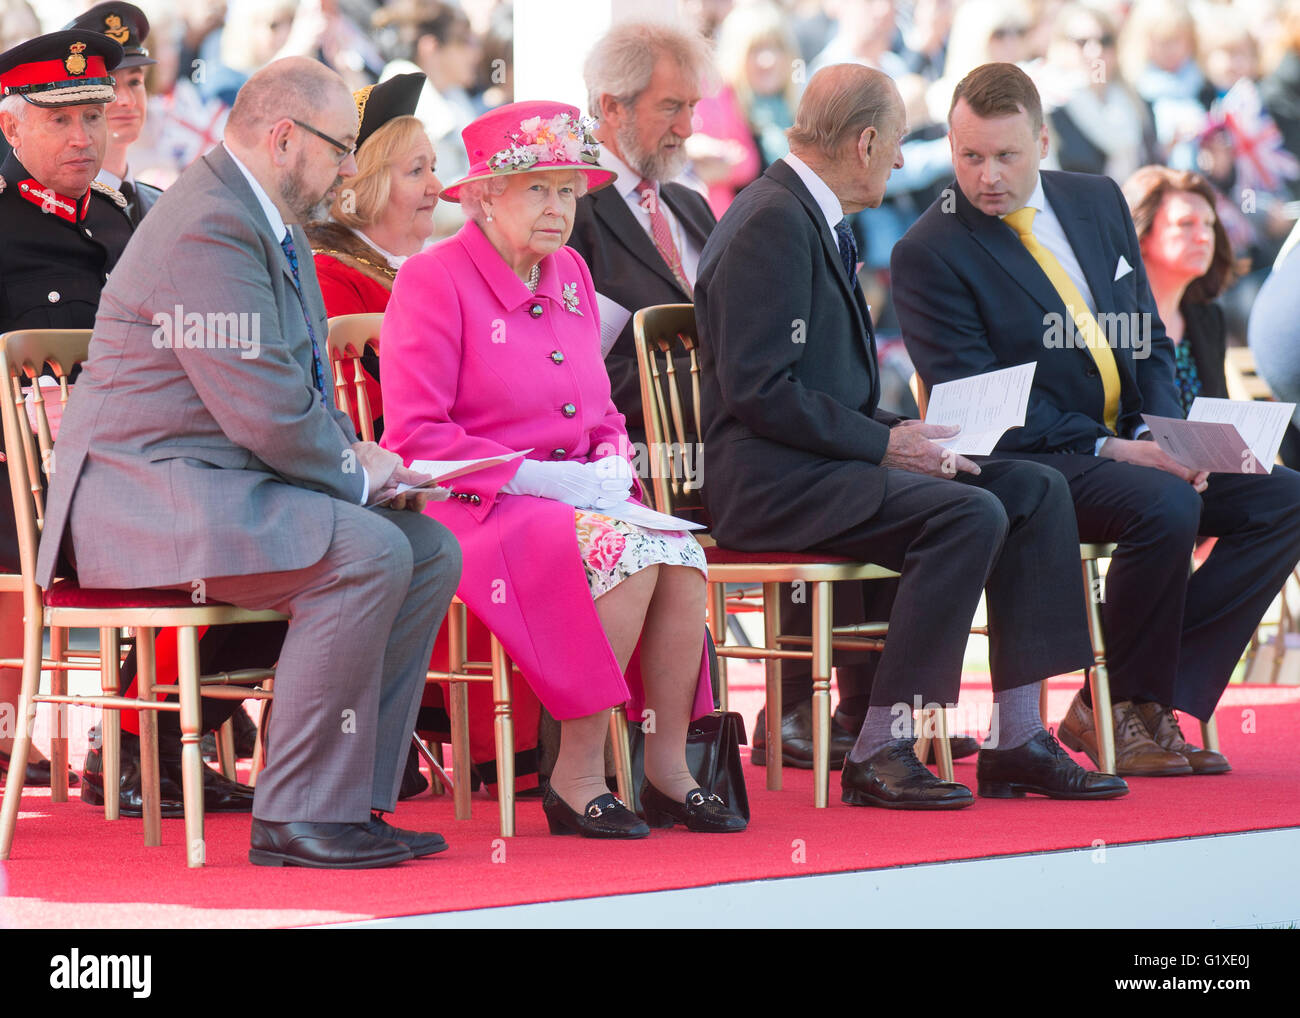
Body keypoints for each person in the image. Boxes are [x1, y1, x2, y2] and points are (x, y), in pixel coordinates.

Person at [33, 56, 462, 869]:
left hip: (215, 482)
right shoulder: (210, 222)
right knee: (367, 550)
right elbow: (264, 408)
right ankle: (298, 814)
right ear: (284, 136)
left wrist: (369, 467)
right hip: (146, 497)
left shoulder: (264, 216)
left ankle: (356, 800)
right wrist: (360, 474)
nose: (347, 166)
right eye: (341, 147)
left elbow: (298, 384)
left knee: (428, 548)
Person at [696, 63, 1122, 809]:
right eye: (895, 144)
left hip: (819, 462)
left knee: (1030, 486)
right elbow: (759, 390)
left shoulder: (802, 211)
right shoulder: (772, 219)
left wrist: (908, 431)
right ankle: (881, 746)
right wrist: (887, 445)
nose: (900, 162)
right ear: (864, 142)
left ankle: (1018, 737)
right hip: (768, 481)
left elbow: (822, 392)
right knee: (967, 512)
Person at [893, 61, 1300, 777]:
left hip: (1133, 443)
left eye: (1006, 156)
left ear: (1043, 142)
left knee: (1285, 496)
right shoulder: (929, 250)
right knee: (1165, 502)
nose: (987, 175)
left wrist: (1165, 435)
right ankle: (1124, 704)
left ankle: (1140, 695)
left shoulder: (1097, 199)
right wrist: (1118, 449)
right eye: (970, 156)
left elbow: (1145, 335)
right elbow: (987, 403)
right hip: (1029, 461)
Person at [381, 99, 746, 837]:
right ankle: (577, 773)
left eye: (568, 190)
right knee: (629, 555)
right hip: (471, 505)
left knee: (680, 553)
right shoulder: (433, 279)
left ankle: (667, 768)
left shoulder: (571, 271)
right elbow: (414, 439)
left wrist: (612, 459)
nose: (558, 208)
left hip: (572, 500)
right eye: (537, 189)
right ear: (484, 196)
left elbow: (600, 409)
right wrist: (541, 480)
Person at [307, 71, 544, 798]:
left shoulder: (410, 272)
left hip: (442, 468)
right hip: (382, 488)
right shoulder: (329, 274)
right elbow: (375, 417)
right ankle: (494, 739)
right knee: (491, 524)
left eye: (436, 168)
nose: (437, 188)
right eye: (417, 171)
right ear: (364, 185)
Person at [1122, 165, 1234, 414]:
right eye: (1186, 224)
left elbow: (1220, 414)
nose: (1205, 237)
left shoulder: (1209, 318)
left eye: (1209, 224)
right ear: (1140, 236)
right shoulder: (1110, 321)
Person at [65, 2, 161, 226]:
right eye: (110, 84)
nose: (127, 100)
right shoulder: (60, 208)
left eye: (135, 82)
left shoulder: (159, 203)